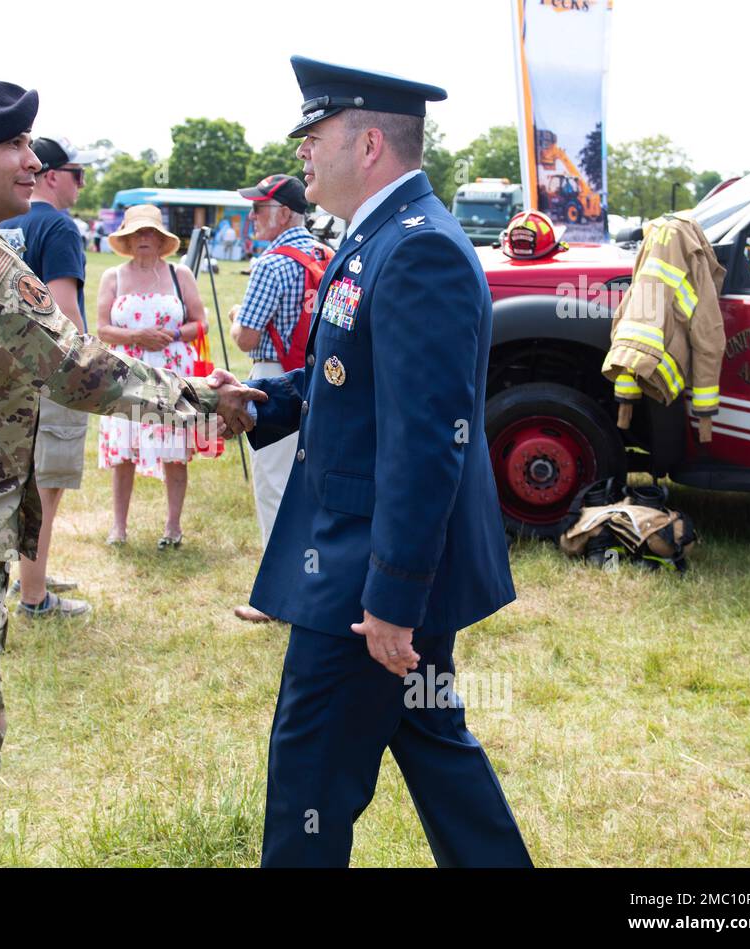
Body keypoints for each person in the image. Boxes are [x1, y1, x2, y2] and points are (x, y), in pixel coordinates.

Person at [0, 75, 263, 868]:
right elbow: (75, 368)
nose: (33, 162)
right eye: (14, 145)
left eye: (32, 144)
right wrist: (203, 398)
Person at [242, 55, 532, 868]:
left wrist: (395, 600)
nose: (303, 151)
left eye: (315, 133)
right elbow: (355, 381)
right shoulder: (381, 233)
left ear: (367, 143)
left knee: (308, 779)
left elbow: (428, 439)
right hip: (372, 561)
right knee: (437, 749)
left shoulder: (416, 250)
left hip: (366, 576)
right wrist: (264, 400)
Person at [0, 136, 96, 618]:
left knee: (21, 485)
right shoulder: (57, 225)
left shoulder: (2, 219)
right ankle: (34, 598)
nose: (81, 184)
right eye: (78, 174)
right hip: (50, 375)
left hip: (5, 373)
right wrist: (86, 368)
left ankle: (29, 575)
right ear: (53, 176)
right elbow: (64, 313)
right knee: (45, 489)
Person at [227, 173, 322, 623]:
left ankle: (280, 597)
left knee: (275, 489)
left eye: (258, 209)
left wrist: (234, 319)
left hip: (275, 382)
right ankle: (315, 585)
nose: (251, 218)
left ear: (283, 212)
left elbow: (246, 339)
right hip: (323, 380)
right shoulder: (325, 253)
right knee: (312, 489)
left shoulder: (271, 262)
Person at [96, 204, 210, 548]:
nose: (144, 238)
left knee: (174, 449)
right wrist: (135, 337)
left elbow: (200, 323)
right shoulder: (113, 276)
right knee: (124, 450)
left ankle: (173, 528)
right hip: (126, 373)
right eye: (137, 233)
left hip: (172, 371)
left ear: (162, 240)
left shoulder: (180, 275)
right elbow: (102, 329)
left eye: (150, 233)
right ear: (127, 240)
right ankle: (119, 527)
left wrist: (172, 335)